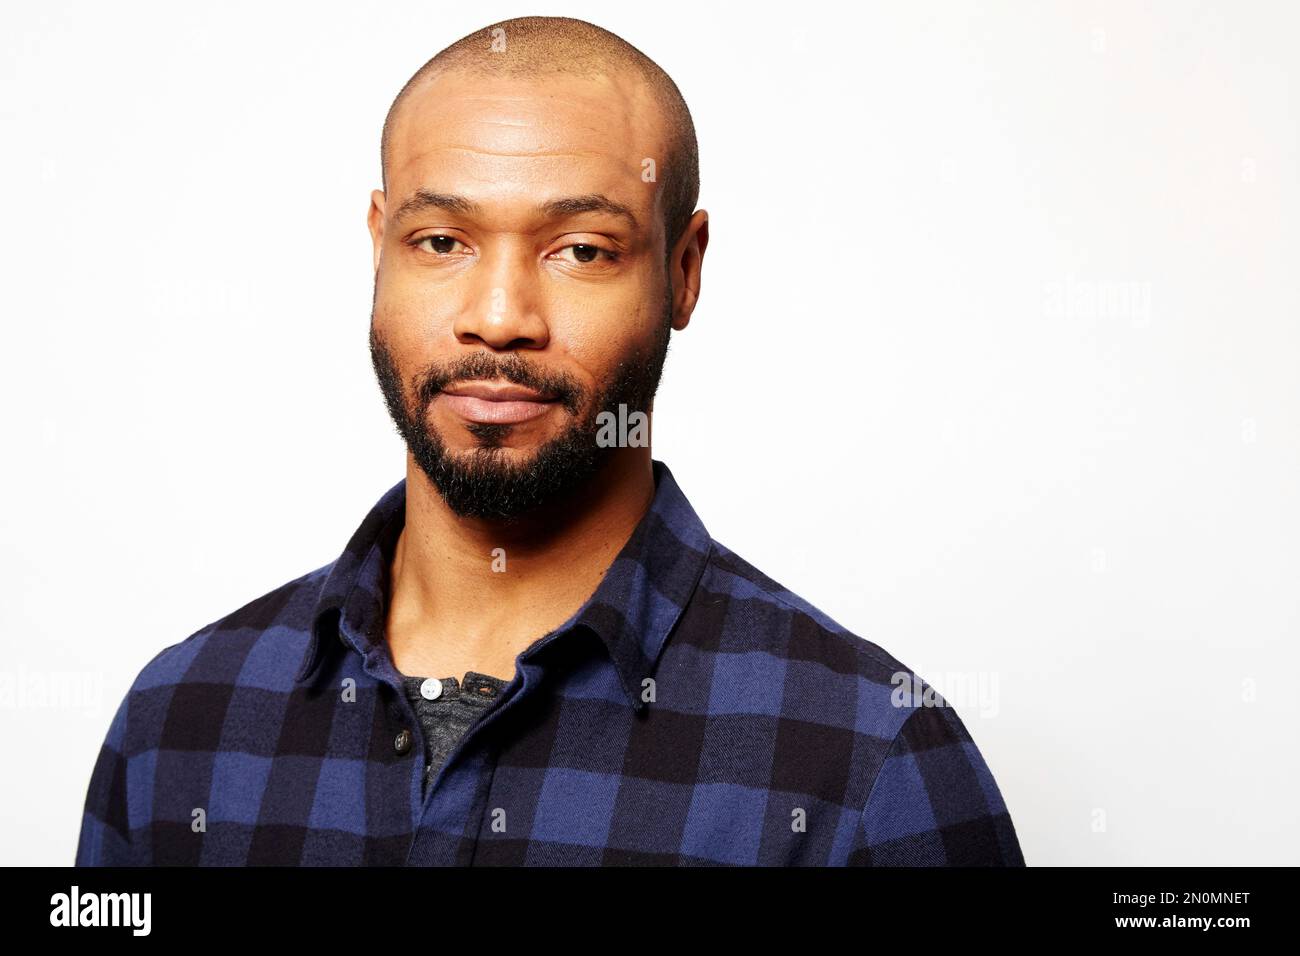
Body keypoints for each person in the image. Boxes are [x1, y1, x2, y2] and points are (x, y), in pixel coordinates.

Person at [75, 15, 1024, 866]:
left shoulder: (869, 763)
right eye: (441, 241)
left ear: (684, 271)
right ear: (378, 247)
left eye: (581, 251)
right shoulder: (179, 724)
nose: (498, 319)